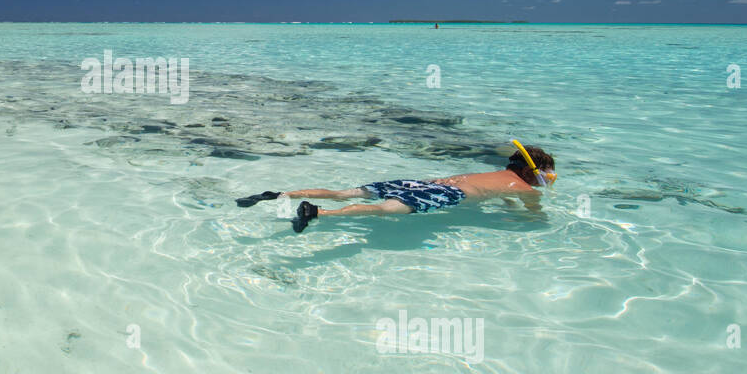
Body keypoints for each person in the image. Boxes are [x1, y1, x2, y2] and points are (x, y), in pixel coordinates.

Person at [235, 142, 556, 232]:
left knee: (348, 191)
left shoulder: (495, 174)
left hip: (426, 183)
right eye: (547, 175)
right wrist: (535, 217)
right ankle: (320, 213)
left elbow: (495, 191)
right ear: (535, 172)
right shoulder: (525, 189)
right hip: (446, 194)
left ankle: (278, 194)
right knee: (385, 210)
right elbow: (534, 218)